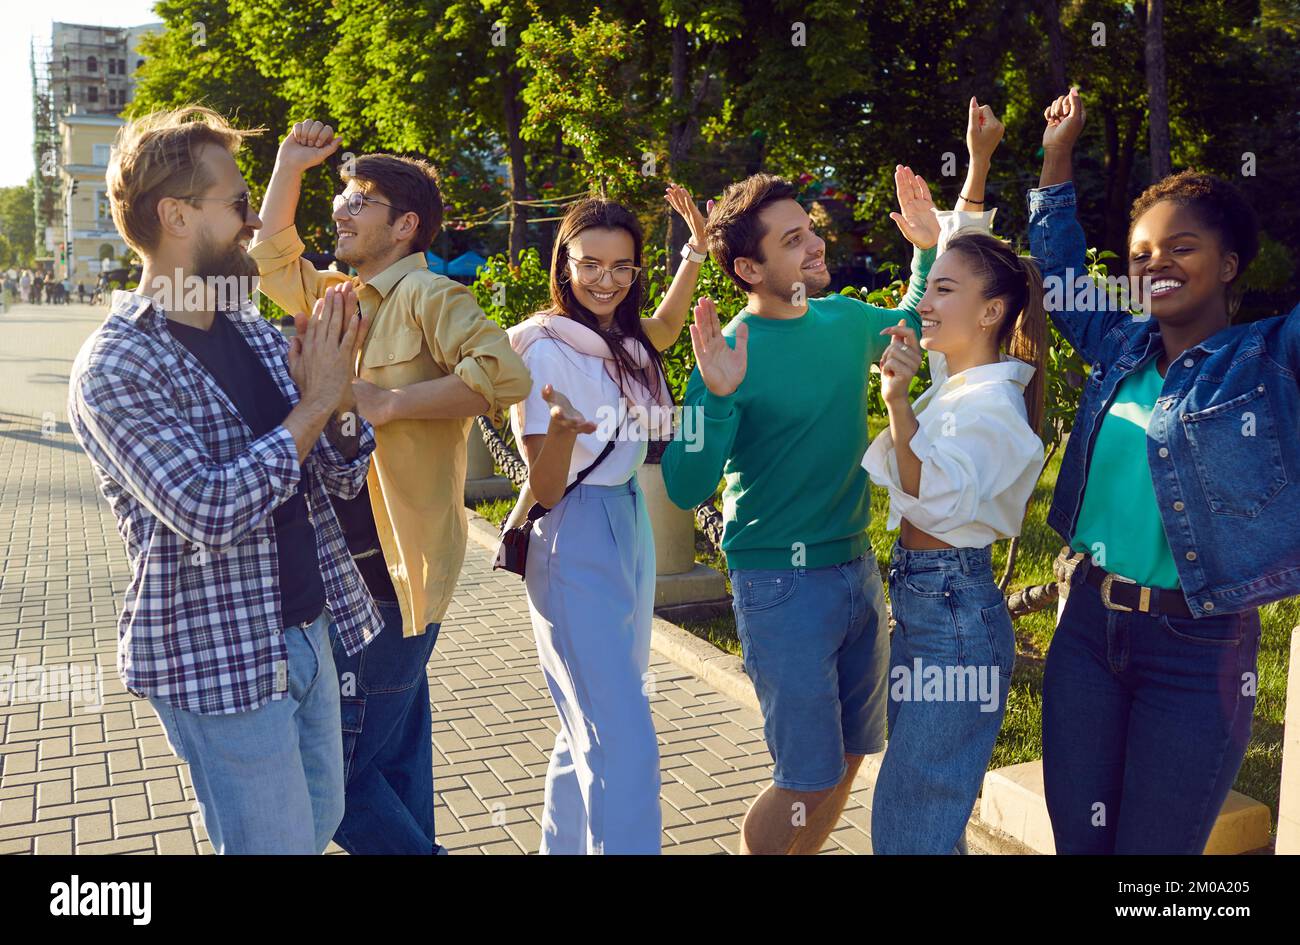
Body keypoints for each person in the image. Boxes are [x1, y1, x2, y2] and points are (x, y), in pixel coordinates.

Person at [66, 106, 382, 854]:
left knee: (320, 824)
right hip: (219, 659)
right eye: (238, 203)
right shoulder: (116, 365)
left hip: (308, 632)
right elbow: (209, 509)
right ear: (176, 215)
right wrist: (312, 404)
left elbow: (339, 474)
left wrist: (337, 403)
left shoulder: (247, 328)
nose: (251, 220)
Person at [251, 119, 531, 855]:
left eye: (361, 199)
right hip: (343, 575)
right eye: (341, 194)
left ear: (405, 225)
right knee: (396, 759)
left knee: (330, 781)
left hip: (390, 577)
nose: (340, 208)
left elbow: (504, 372)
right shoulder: (334, 294)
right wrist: (288, 164)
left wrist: (386, 402)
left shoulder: (430, 296)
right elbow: (271, 255)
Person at [1031, 88, 1300, 854]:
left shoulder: (1267, 361)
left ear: (1229, 262)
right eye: (1142, 253)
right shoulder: (1119, 346)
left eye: (1181, 247)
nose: (1156, 264)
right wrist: (1058, 150)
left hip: (1199, 647)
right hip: (1086, 630)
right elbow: (1054, 269)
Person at [662, 168, 940, 854]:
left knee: (849, 756)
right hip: (779, 587)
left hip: (857, 569)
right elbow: (681, 479)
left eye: (810, 229)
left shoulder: (843, 319)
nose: (815, 244)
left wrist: (928, 250)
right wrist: (720, 395)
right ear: (751, 267)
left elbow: (913, 325)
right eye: (794, 240)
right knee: (804, 774)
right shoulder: (726, 353)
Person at [864, 99, 1046, 854]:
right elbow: (969, 258)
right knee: (921, 815)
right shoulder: (961, 375)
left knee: (911, 824)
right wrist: (976, 167)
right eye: (929, 286)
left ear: (992, 311)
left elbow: (934, 493)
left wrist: (899, 402)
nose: (925, 300)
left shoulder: (995, 409)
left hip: (955, 614)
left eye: (943, 292)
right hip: (927, 604)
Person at [506, 188, 704, 854]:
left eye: (623, 267)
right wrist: (560, 430)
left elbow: (669, 327)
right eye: (591, 264)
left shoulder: (620, 338)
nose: (606, 280)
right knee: (622, 740)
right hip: (572, 531)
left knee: (586, 724)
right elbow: (546, 485)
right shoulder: (541, 346)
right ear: (563, 261)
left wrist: (695, 252)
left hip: (627, 522)